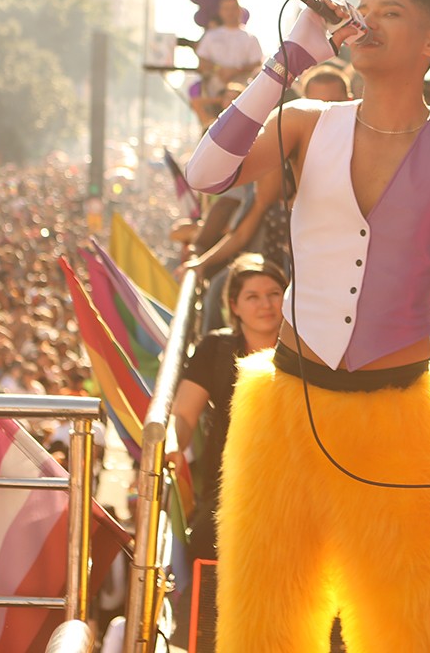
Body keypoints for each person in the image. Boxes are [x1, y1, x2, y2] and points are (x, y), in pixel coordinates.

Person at [183, 0, 430, 653]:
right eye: (363, 8)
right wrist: (287, 62)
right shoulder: (305, 122)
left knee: (422, 633)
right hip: (284, 411)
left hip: (402, 420)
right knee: (264, 629)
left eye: (391, 12)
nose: (367, 21)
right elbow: (205, 174)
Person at [170, 255, 287, 645]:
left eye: (274, 293)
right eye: (252, 296)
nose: (266, 304)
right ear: (233, 305)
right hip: (231, 491)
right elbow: (183, 415)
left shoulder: (309, 348)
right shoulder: (216, 349)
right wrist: (172, 441)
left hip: (298, 488)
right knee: (206, 547)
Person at [196, 0, 264, 87]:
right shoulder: (210, 36)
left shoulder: (250, 38)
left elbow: (257, 64)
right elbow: (202, 61)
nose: (230, 12)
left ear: (239, 11)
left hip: (242, 94)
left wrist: (236, 70)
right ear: (220, 12)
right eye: (226, 9)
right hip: (214, 93)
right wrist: (218, 69)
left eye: (233, 8)